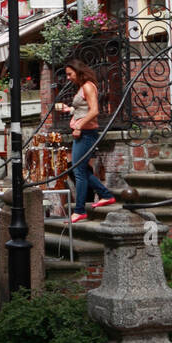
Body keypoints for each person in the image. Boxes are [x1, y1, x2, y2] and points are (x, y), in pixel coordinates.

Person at [55, 59, 118, 223]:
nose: (68, 77)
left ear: (78, 71)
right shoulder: (83, 87)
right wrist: (70, 110)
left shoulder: (88, 86)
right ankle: (105, 195)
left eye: (70, 74)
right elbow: (83, 109)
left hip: (86, 133)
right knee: (81, 170)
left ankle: (80, 210)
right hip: (83, 133)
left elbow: (95, 110)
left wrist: (79, 126)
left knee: (79, 172)